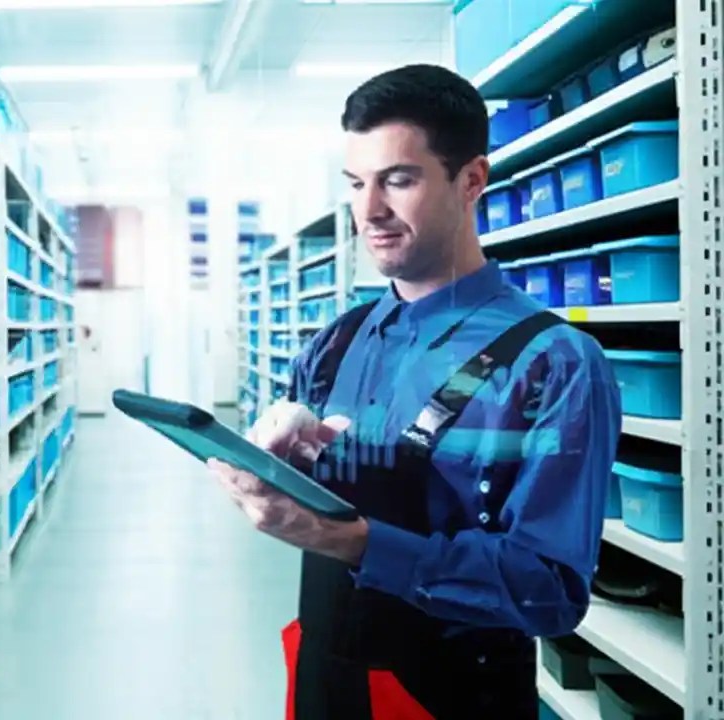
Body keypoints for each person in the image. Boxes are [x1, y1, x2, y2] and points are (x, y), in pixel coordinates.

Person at [209, 64, 622, 720]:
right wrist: (276, 471)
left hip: (454, 698)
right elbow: (321, 497)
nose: (369, 211)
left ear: (472, 181)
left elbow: (550, 594)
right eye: (355, 183)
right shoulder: (335, 342)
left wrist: (354, 541)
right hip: (321, 675)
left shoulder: (554, 362)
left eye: (398, 180)